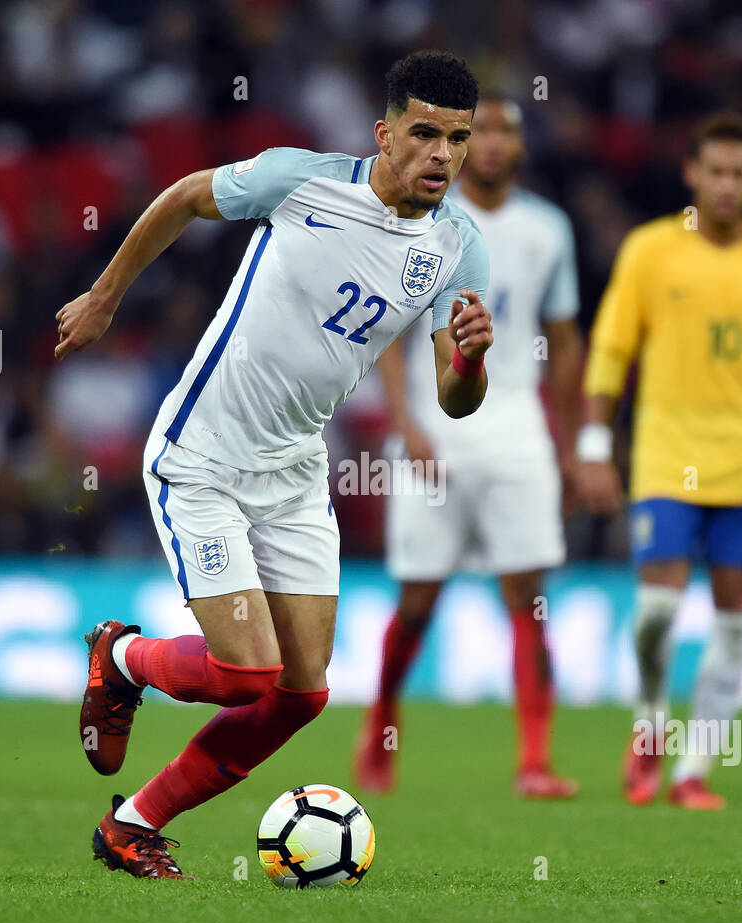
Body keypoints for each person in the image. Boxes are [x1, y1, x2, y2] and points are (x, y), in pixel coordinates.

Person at [53, 50, 493, 878]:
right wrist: (107, 295)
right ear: (385, 132)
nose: (441, 154)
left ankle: (131, 826)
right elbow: (186, 196)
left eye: (457, 139)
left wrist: (469, 363)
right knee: (244, 673)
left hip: (294, 474)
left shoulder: (457, 247)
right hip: (204, 457)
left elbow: (454, 398)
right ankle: (122, 658)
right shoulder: (302, 181)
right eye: (424, 133)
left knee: (302, 693)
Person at [578, 112, 742, 810]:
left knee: (735, 619)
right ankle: (650, 723)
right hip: (665, 459)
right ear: (692, 174)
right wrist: (595, 448)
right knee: (656, 611)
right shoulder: (652, 250)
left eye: (740, 174)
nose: (726, 185)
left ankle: (693, 770)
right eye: (715, 172)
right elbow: (612, 351)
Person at [353, 97, 582, 799]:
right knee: (418, 600)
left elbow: (566, 339)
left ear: (519, 145)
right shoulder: (422, 219)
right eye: (478, 130)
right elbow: (389, 330)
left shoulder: (549, 228)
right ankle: (382, 727)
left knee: (528, 596)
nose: (491, 142)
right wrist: (406, 424)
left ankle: (534, 762)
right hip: (435, 431)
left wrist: (574, 448)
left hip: (516, 430)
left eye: (505, 130)